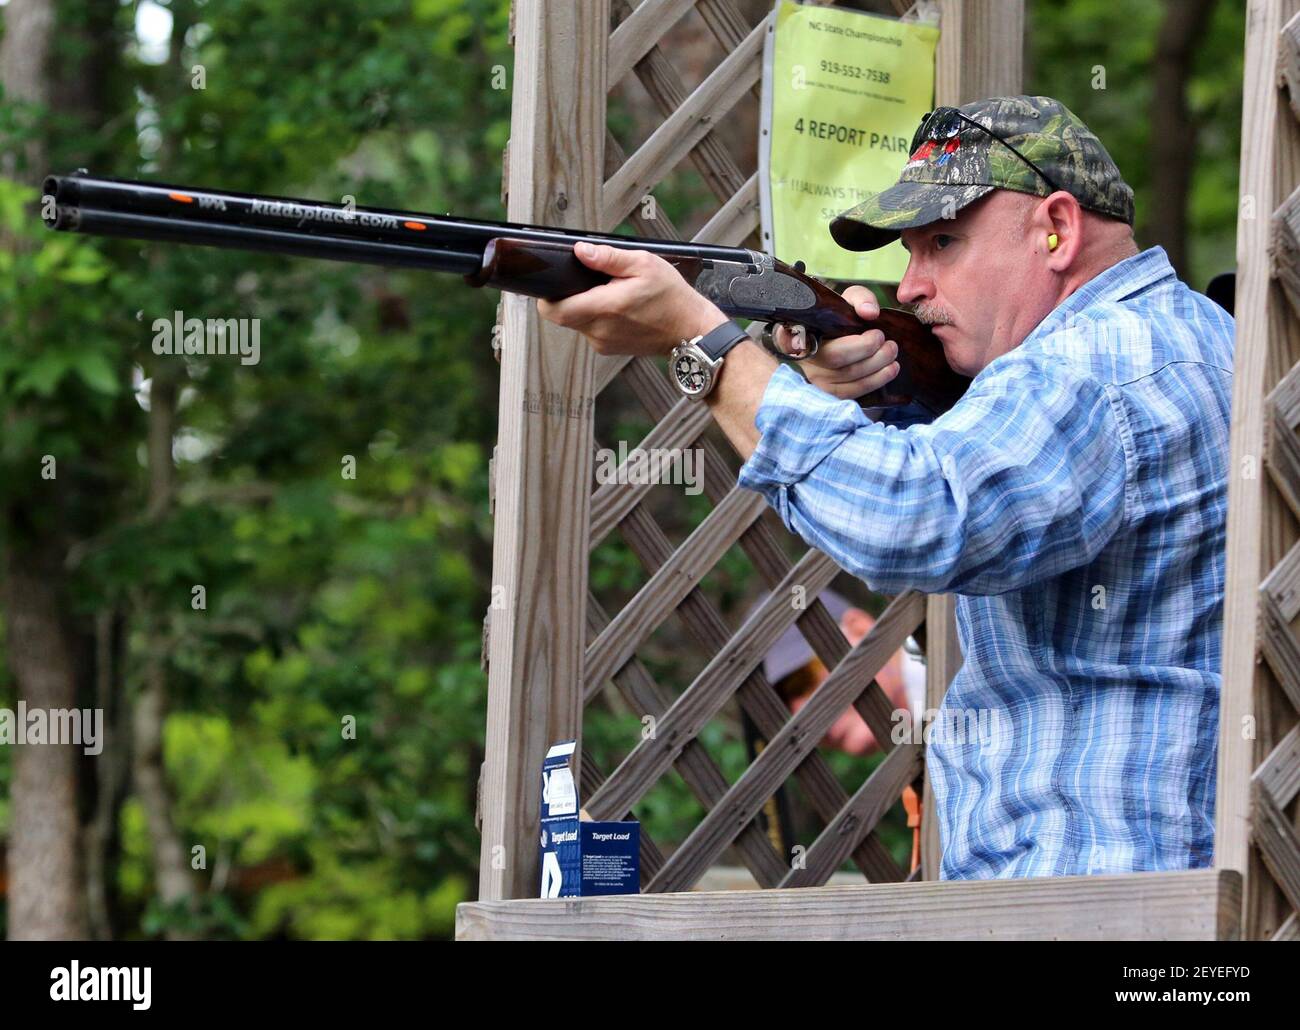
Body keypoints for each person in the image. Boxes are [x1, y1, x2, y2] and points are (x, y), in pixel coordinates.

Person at [537, 95, 1232, 880]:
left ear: (1058, 229)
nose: (910, 286)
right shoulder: (1196, 335)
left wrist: (708, 347)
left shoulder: (1093, 367)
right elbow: (1006, 478)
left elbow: (911, 517)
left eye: (943, 243)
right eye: (908, 252)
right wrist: (872, 398)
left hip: (1098, 896)